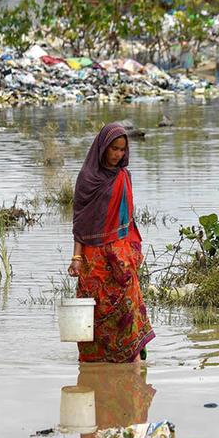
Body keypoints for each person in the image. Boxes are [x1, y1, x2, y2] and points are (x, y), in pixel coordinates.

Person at [69, 123, 155, 363]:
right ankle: (93, 366)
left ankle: (132, 363)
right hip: (93, 260)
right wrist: (76, 258)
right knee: (95, 311)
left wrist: (130, 252)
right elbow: (80, 222)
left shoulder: (123, 177)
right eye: (113, 149)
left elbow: (128, 220)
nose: (118, 154)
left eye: (122, 149)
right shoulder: (87, 178)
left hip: (120, 257)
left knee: (127, 308)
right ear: (102, 147)